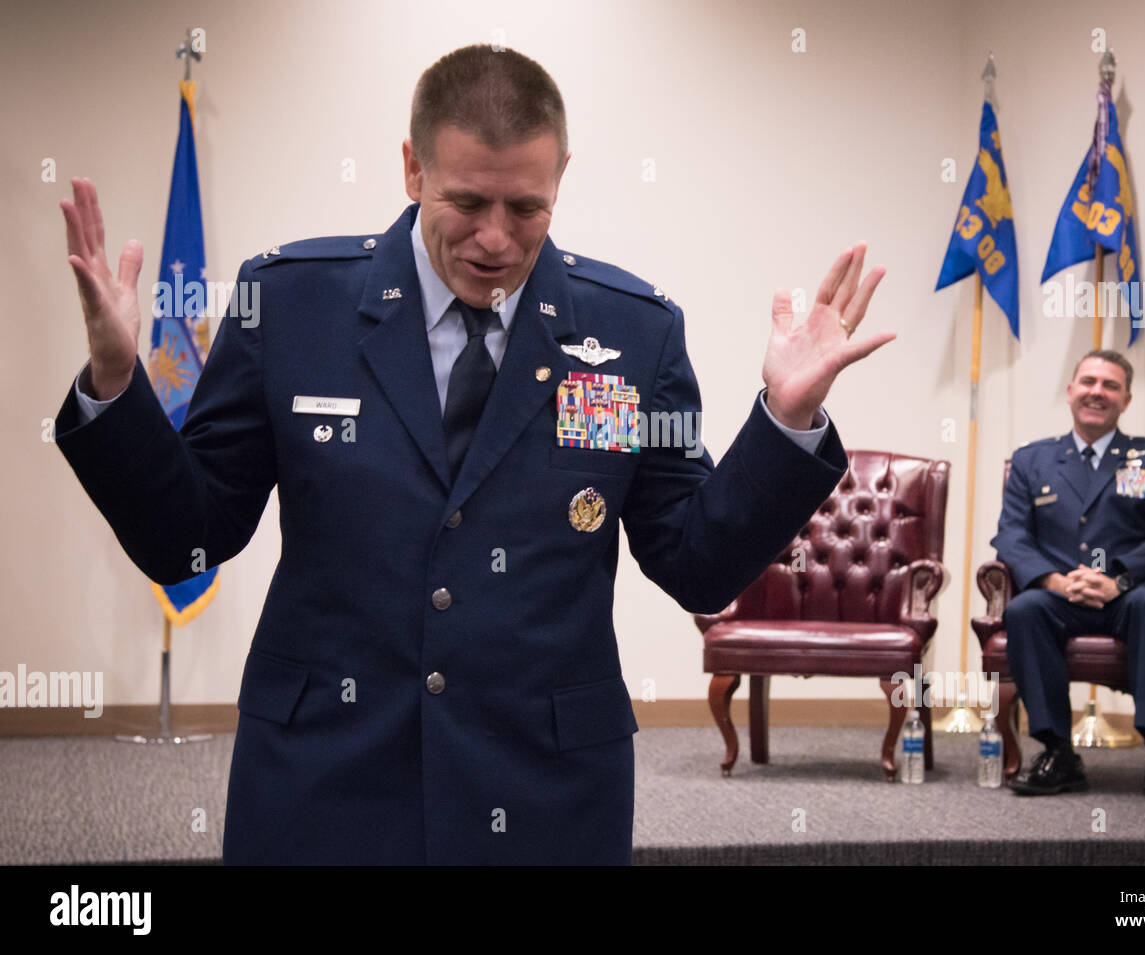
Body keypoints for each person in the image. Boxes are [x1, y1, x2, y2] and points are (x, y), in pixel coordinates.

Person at [53, 45, 896, 863]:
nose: (496, 237)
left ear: (561, 176)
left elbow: (697, 565)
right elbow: (186, 537)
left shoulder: (633, 333)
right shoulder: (290, 305)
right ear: (413, 170)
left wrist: (785, 420)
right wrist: (118, 387)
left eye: (526, 207)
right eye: (467, 201)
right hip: (325, 778)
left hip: (543, 788)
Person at [991, 349, 1145, 804]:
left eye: (1110, 386)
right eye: (1088, 382)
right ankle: (1058, 752)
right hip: (1061, 593)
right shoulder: (1033, 460)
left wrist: (1117, 581)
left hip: (1132, 593)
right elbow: (1012, 537)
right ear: (1070, 392)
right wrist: (1053, 582)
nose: (1096, 393)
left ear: (1126, 400)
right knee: (1024, 609)